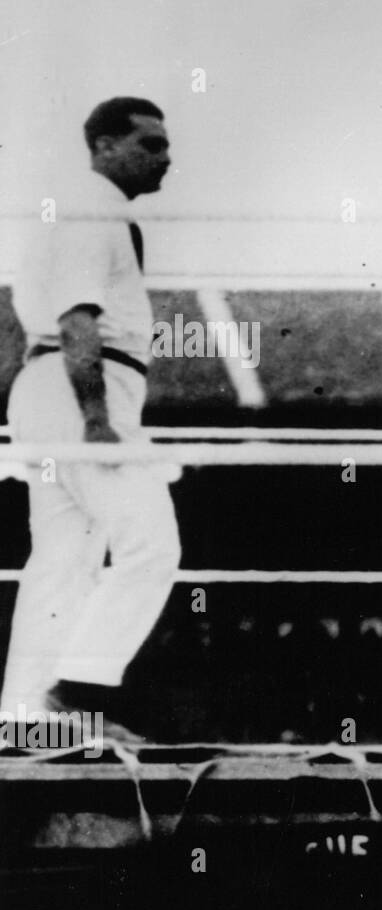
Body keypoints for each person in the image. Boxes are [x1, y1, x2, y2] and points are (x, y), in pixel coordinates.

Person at [2, 97, 180, 741]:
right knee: (151, 544)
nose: (166, 158)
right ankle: (79, 692)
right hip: (83, 393)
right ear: (104, 147)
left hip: (53, 388)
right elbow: (79, 318)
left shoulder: (81, 215)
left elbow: (44, 328)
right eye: (151, 144)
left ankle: (27, 721)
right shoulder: (92, 211)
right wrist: (97, 419)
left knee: (64, 557)